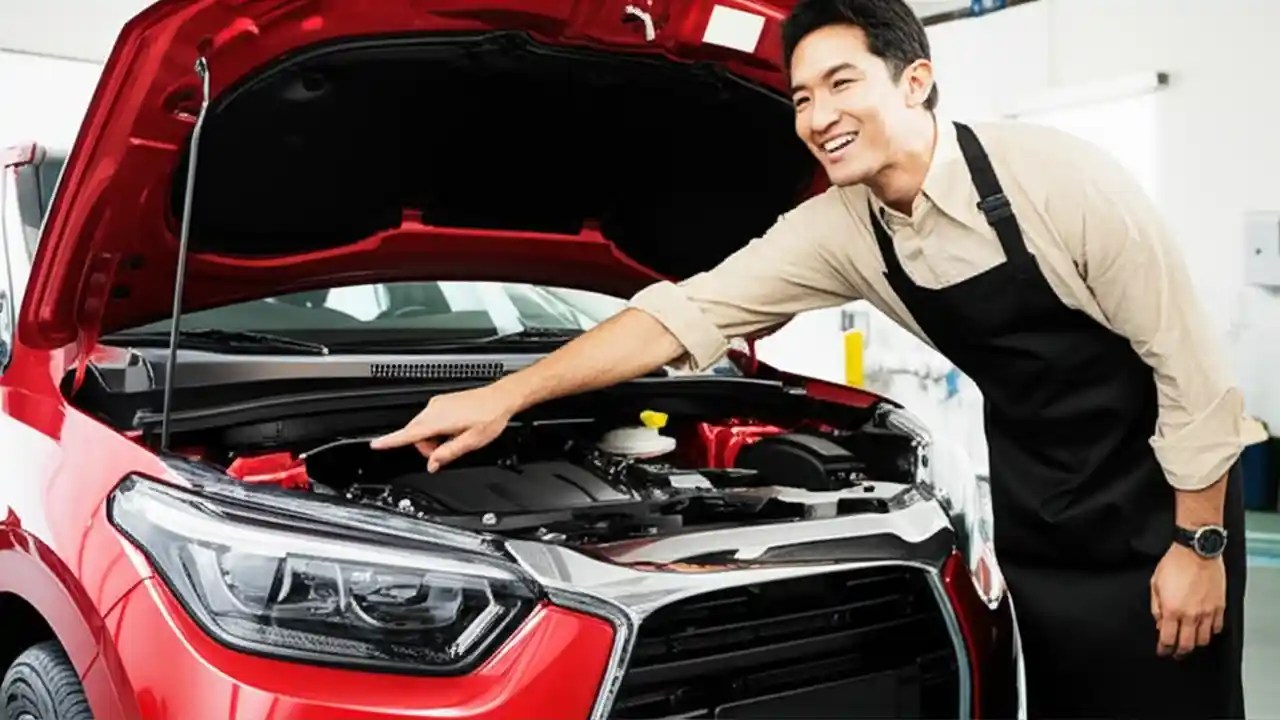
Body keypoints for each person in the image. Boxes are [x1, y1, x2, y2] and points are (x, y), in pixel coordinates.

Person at [371, 0, 1250, 716]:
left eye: (840, 83)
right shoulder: (843, 226)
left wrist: (1197, 544)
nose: (819, 117)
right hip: (1041, 502)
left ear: (917, 81)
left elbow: (1194, 376)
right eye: (799, 98)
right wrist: (506, 395)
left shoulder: (1059, 182)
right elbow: (685, 314)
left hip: (1164, 501)